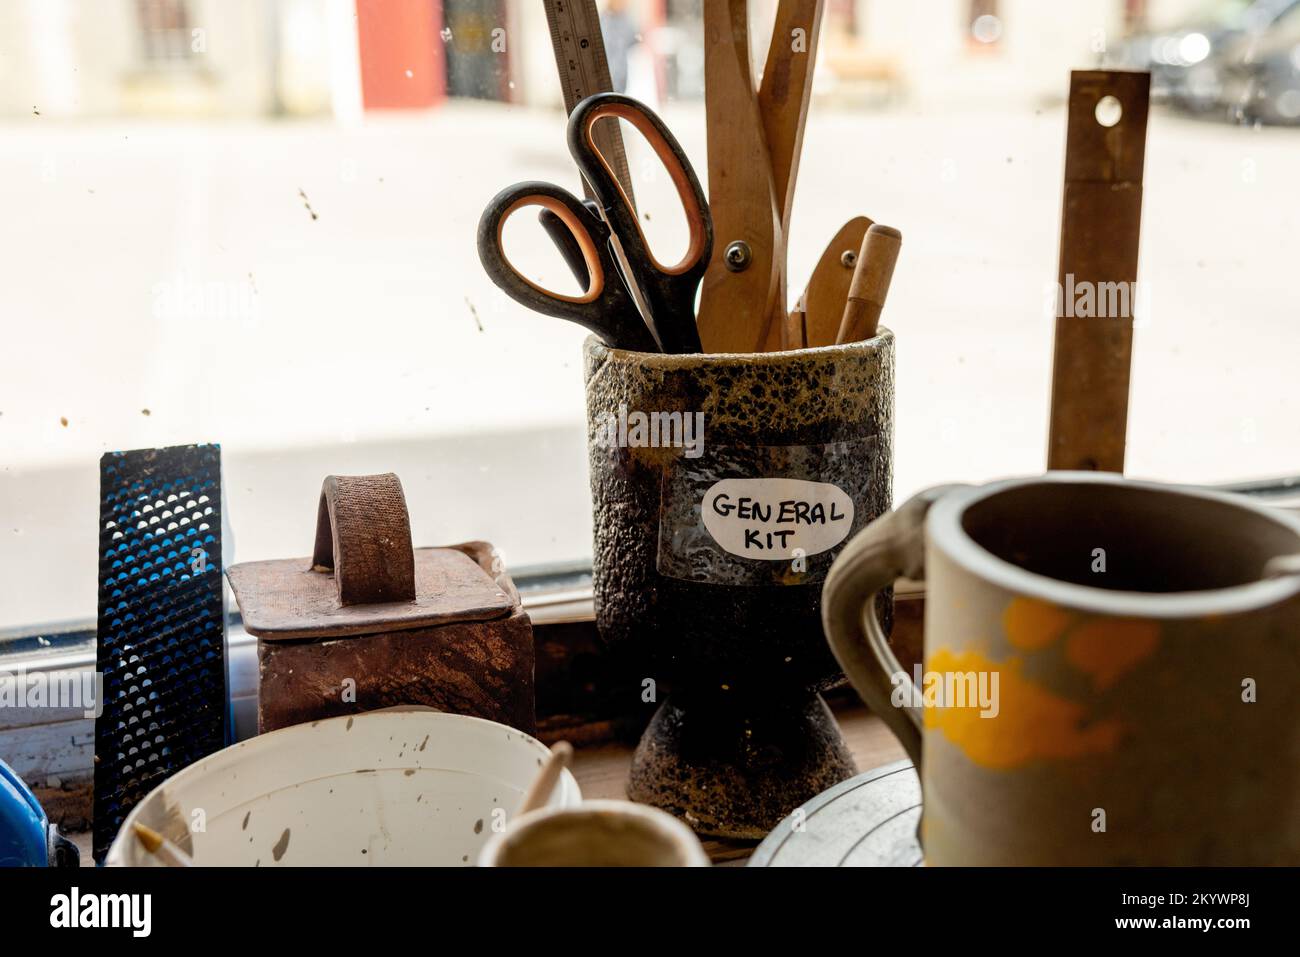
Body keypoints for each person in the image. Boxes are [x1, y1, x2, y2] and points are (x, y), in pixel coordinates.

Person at [601, 0, 640, 93]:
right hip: (607, 74)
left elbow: (632, 39)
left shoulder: (625, 20)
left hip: (621, 76)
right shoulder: (603, 20)